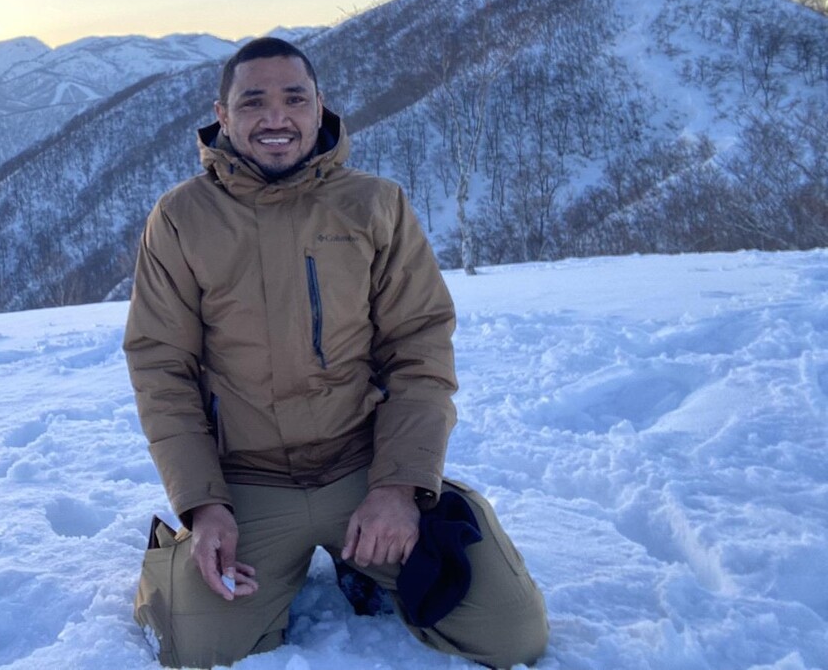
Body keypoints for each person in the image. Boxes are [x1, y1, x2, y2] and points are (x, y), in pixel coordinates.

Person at [123, 37, 548, 668]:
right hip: (247, 481)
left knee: (511, 635)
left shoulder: (375, 205)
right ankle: (178, 553)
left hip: (364, 468)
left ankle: (408, 531)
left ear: (319, 108)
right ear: (223, 113)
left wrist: (402, 486)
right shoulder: (183, 217)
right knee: (199, 650)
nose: (276, 117)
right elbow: (161, 367)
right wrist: (204, 505)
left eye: (295, 98)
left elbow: (420, 350)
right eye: (254, 102)